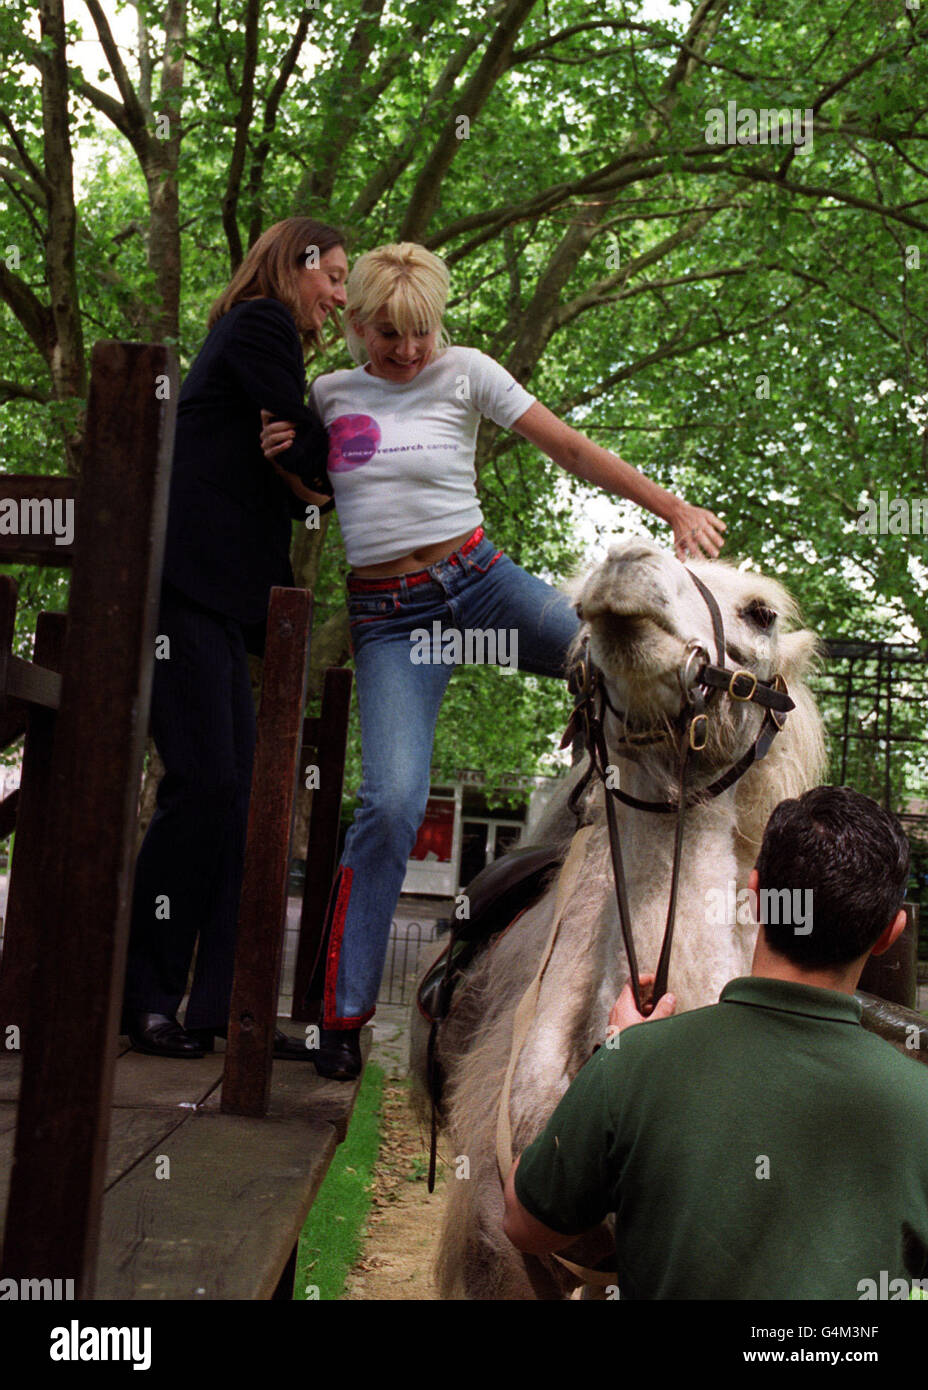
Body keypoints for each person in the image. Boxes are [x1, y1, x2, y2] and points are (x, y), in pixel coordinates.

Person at [261, 242, 726, 1080]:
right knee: (392, 803)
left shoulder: (468, 371)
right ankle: (341, 1019)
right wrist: (288, 462)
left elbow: (571, 450)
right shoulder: (330, 394)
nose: (406, 352)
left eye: (420, 335)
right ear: (359, 323)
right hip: (391, 619)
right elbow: (325, 491)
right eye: (387, 336)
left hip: (481, 583)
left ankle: (683, 885)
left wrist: (670, 505)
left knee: (625, 672)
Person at [504, 785, 928, 1300]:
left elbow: (527, 1227)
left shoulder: (634, 1063)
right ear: (892, 932)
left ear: (754, 896)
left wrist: (618, 1060)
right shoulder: (918, 1101)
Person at [122, 217, 348, 1059]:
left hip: (219, 602)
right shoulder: (260, 324)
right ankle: (142, 995)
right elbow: (312, 448)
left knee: (244, 801)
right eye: (334, 275)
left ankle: (223, 1007)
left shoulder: (259, 339)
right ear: (297, 265)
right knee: (205, 785)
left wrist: (303, 471)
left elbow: (295, 460)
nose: (339, 294)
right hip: (184, 589)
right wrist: (325, 461)